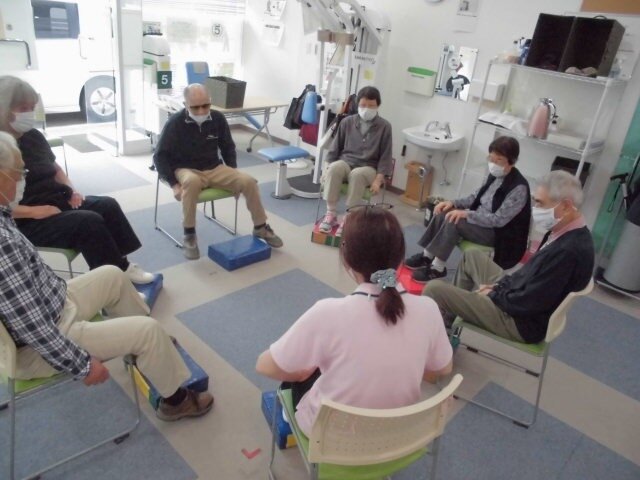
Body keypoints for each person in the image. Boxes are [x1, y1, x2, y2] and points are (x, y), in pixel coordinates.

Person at [0, 132, 213, 421]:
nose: (22, 178)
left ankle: (146, 351)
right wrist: (83, 366)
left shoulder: (3, 216)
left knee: (113, 274)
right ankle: (176, 402)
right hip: (39, 345)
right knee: (148, 331)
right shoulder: (3, 245)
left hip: (53, 304)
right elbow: (34, 329)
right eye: (19, 172)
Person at [256, 206, 452, 436]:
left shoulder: (328, 313)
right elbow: (442, 368)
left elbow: (265, 365)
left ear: (346, 259)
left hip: (331, 439)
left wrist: (301, 374)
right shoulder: (428, 309)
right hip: (395, 436)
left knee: (302, 373)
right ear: (400, 257)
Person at [0, 75, 153, 284]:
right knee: (87, 222)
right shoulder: (3, 148)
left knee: (107, 205)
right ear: (4, 109)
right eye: (22, 108)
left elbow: (55, 169)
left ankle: (121, 266)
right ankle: (111, 282)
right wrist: (35, 211)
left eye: (31, 107)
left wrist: (72, 190)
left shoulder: (33, 136)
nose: (29, 113)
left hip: (56, 202)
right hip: (25, 220)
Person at [423, 170, 594, 344]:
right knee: (471, 256)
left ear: (565, 206)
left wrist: (494, 293)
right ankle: (446, 327)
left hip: (519, 321)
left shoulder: (568, 251)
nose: (535, 209)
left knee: (434, 289)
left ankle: (429, 343)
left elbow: (530, 302)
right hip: (519, 297)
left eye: (540, 203)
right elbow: (529, 276)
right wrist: (499, 287)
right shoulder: (564, 232)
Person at [153, 83, 282, 259]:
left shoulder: (218, 119)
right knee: (192, 181)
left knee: (248, 181)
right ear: (185, 104)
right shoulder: (174, 123)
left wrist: (234, 173)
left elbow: (228, 147)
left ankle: (260, 227)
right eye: (195, 107)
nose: (201, 111)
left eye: (205, 105)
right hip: (185, 169)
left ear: (210, 102)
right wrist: (174, 184)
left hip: (214, 168)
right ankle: (189, 235)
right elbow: (159, 156)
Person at [406, 136, 531, 282]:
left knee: (454, 220)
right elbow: (474, 197)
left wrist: (466, 214)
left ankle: (437, 268)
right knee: (443, 212)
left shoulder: (519, 188)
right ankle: (427, 257)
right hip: (480, 222)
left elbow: (498, 220)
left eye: (499, 160)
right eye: (491, 158)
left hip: (498, 235)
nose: (493, 164)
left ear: (512, 162)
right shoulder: (495, 176)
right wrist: (452, 203)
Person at [318, 86, 393, 236]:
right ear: (357, 104)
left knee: (357, 174)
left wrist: (378, 180)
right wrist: (326, 170)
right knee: (335, 167)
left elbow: (386, 156)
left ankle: (349, 217)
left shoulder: (385, 126)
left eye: (371, 105)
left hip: (369, 167)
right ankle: (331, 214)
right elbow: (334, 150)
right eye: (363, 105)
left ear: (378, 105)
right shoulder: (347, 122)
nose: (367, 109)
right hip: (347, 162)